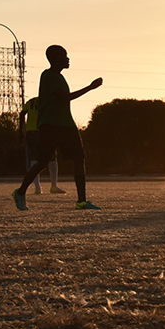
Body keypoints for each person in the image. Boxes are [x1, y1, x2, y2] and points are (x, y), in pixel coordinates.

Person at [12, 45, 102, 211]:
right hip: (50, 125)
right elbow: (65, 97)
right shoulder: (48, 76)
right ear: (55, 58)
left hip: (66, 124)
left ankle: (82, 201)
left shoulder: (60, 77)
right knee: (43, 162)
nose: (68, 59)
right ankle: (20, 191)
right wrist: (90, 87)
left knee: (79, 158)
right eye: (64, 55)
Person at [17, 97, 63, 195]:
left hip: (30, 131)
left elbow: (22, 114)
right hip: (44, 130)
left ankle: (37, 187)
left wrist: (21, 129)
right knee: (52, 157)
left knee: (34, 158)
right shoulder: (47, 100)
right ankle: (54, 186)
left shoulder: (31, 102)